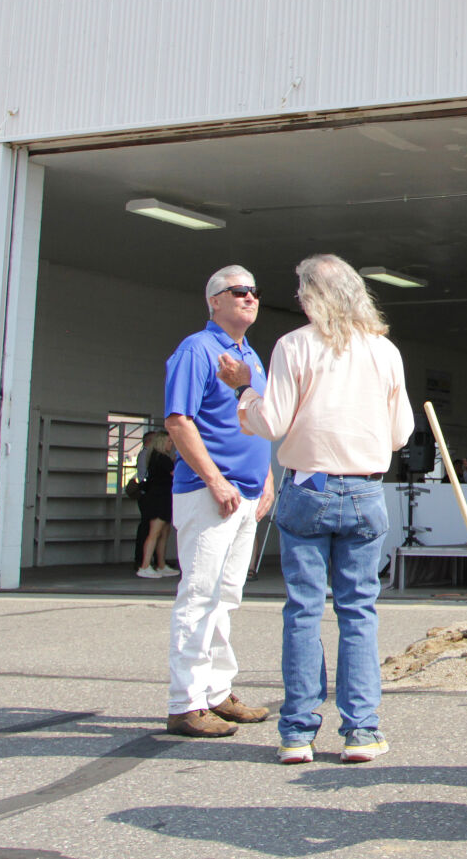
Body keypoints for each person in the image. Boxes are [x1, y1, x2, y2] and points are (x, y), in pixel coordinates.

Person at [218, 254, 414, 765]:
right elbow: (401, 435)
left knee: (304, 611)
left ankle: (298, 733)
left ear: (310, 296)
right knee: (359, 612)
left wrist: (244, 389)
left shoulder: (293, 346)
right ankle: (362, 732)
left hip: (308, 486)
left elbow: (272, 421)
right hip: (366, 489)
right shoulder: (385, 352)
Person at [162, 266, 276, 738]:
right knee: (199, 594)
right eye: (238, 291)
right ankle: (185, 702)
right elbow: (178, 421)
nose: (249, 298)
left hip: (247, 494)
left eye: (254, 291)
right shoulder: (196, 350)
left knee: (226, 597)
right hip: (212, 493)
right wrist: (215, 481)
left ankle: (217, 691)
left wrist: (266, 475)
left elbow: (257, 423)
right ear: (213, 301)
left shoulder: (251, 356)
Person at [136, 430, 178, 578]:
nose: (171, 444)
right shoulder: (161, 458)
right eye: (169, 441)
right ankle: (145, 565)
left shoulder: (154, 457)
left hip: (162, 497)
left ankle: (161, 564)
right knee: (155, 532)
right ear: (162, 442)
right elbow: (175, 474)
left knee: (163, 532)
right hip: (159, 498)